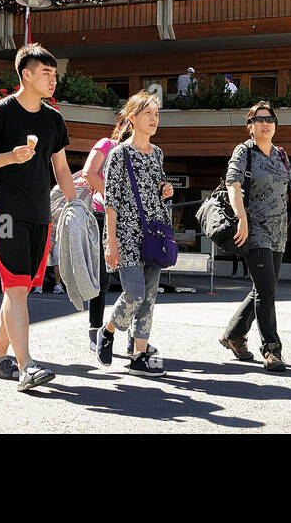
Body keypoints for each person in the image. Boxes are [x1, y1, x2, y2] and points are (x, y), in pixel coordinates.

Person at [0, 44, 77, 393]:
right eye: (46, 73)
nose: (53, 80)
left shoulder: (53, 119)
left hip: (40, 214)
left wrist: (75, 209)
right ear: (26, 75)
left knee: (19, 289)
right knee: (16, 287)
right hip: (6, 213)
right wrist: (10, 157)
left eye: (55, 74)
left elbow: (61, 169)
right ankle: (25, 366)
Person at [218, 102, 291, 371]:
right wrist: (242, 218)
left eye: (269, 119)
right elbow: (232, 184)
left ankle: (234, 334)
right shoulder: (244, 151)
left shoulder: (281, 155)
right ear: (250, 126)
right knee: (267, 290)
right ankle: (272, 350)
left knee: (264, 289)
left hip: (279, 232)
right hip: (254, 230)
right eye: (259, 120)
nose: (265, 123)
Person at [95, 91, 174, 376]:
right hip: (126, 236)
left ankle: (139, 356)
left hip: (154, 235)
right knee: (135, 294)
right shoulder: (119, 154)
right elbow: (111, 201)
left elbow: (158, 192)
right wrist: (110, 242)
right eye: (148, 114)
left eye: (156, 114)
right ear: (132, 118)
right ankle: (108, 330)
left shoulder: (158, 154)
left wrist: (167, 191)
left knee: (149, 297)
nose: (154, 119)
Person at [75, 117, 125, 356]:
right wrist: (117, 199)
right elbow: (88, 173)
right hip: (101, 215)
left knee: (136, 280)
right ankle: (96, 329)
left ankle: (135, 339)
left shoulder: (142, 151)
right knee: (102, 279)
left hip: (130, 220)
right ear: (122, 125)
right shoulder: (107, 144)